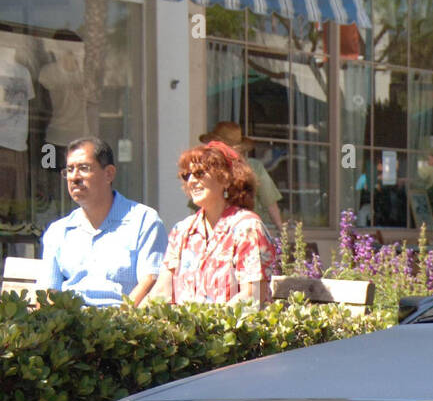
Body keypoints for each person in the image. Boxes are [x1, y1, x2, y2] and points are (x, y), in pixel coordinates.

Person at [39, 136, 166, 307]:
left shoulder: (144, 221)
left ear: (109, 174)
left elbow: (150, 282)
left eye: (83, 168)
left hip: (121, 326)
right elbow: (49, 292)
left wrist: (117, 321)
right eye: (69, 170)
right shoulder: (58, 231)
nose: (74, 177)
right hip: (70, 325)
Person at [152, 140, 274, 304]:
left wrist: (205, 324)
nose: (191, 181)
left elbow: (252, 296)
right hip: (183, 328)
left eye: (200, 173)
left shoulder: (248, 228)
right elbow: (162, 290)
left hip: (232, 328)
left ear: (225, 179)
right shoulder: (182, 230)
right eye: (187, 175)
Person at [199, 121, 283, 230]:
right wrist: (281, 230)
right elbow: (270, 200)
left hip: (243, 229)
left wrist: (281, 232)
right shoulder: (207, 168)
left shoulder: (253, 167)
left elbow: (270, 200)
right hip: (230, 229)